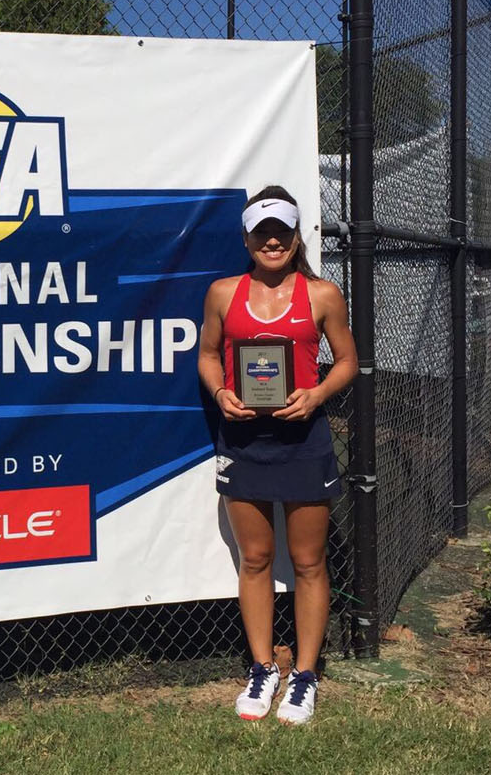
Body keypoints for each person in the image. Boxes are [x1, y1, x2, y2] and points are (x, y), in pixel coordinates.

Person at [197, 186, 358, 726]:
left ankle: (305, 676)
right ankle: (263, 668)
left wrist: (315, 395)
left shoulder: (323, 294)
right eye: (262, 231)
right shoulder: (222, 293)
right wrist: (221, 393)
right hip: (244, 443)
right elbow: (207, 355)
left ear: (295, 236)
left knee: (310, 562)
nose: (272, 240)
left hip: (304, 442)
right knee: (257, 559)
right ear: (246, 237)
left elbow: (347, 363)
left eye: (282, 231)